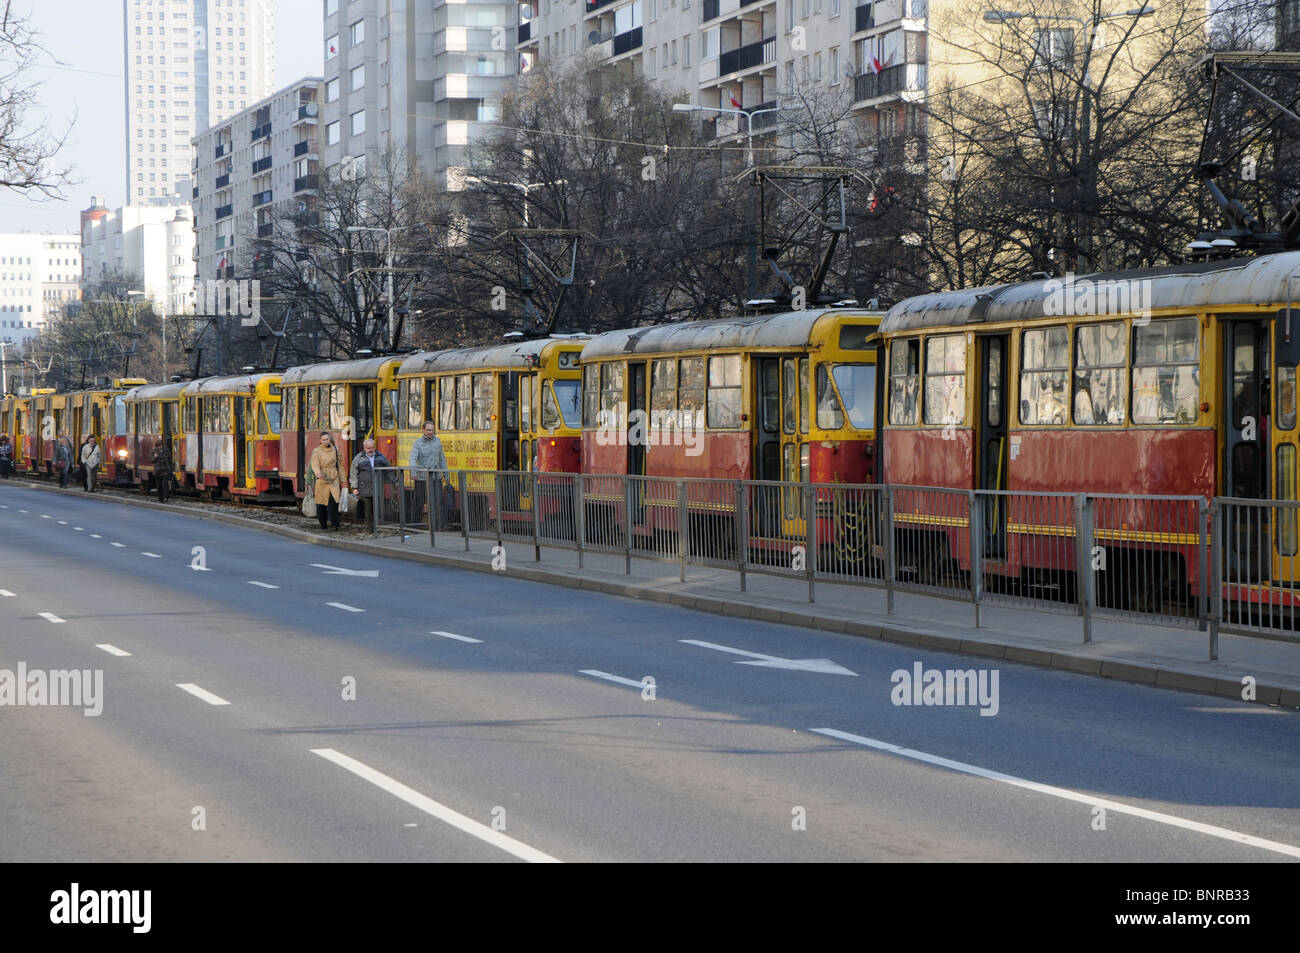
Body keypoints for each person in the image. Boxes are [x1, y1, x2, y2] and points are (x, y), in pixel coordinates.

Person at [408, 420, 449, 528]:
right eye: (428, 430)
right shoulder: (418, 443)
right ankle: (414, 525)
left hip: (436, 476)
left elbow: (442, 459)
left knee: (439, 501)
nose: (431, 432)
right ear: (423, 430)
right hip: (422, 477)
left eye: (432, 430)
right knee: (419, 501)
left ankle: (441, 524)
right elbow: (413, 459)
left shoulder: (438, 442)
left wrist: (446, 474)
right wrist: (413, 472)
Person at [349, 437, 390, 525]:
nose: (371, 450)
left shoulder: (381, 457)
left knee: (377, 507)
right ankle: (370, 527)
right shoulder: (358, 458)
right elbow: (353, 473)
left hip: (377, 486)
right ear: (364, 448)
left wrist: (393, 480)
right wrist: (354, 487)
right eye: (368, 448)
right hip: (364, 487)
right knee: (367, 509)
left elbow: (388, 469)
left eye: (372, 448)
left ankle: (377, 526)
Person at [309, 430, 343, 531]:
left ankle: (335, 524)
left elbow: (340, 465)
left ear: (330, 439)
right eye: (323, 440)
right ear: (320, 441)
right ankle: (323, 524)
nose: (325, 441)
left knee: (335, 501)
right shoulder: (317, 451)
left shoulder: (335, 450)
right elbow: (314, 464)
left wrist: (343, 480)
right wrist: (318, 473)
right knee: (321, 503)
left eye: (327, 439)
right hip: (322, 478)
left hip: (334, 477)